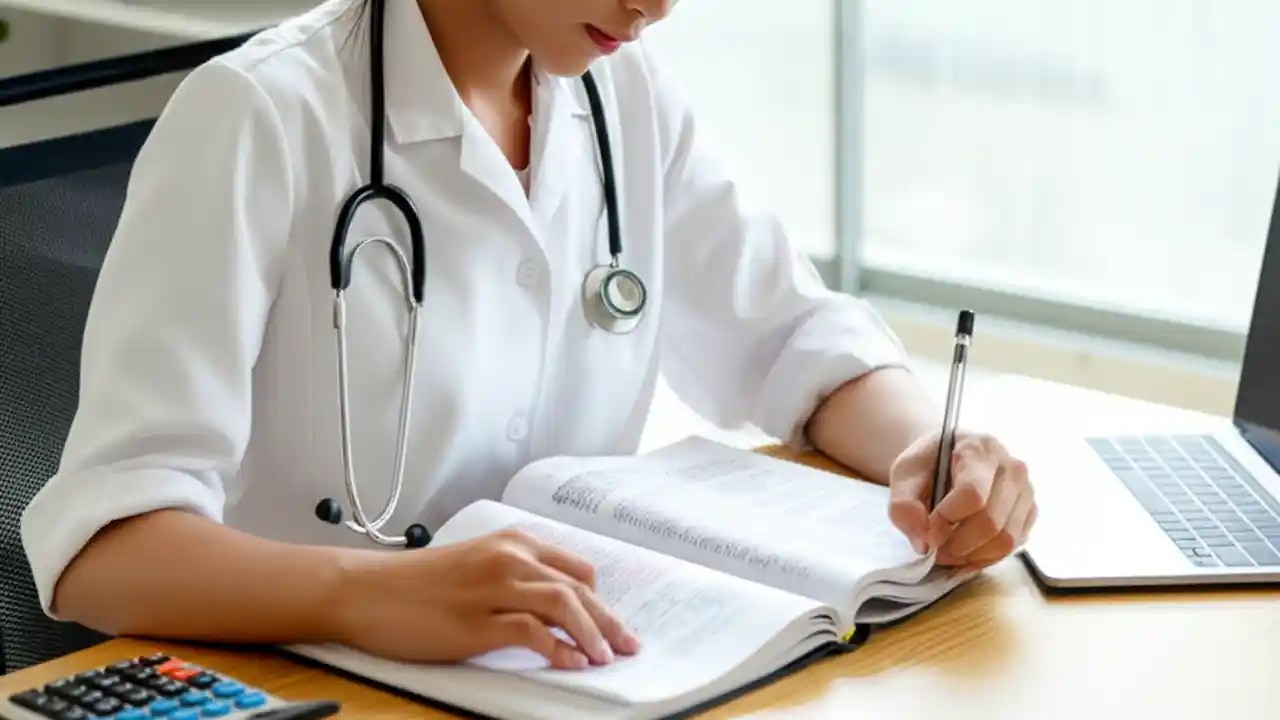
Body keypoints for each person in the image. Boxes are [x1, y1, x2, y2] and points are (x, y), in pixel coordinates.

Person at [22, 0, 1037, 672]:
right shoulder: (258, 118)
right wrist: (369, 595)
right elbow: (104, 554)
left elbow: (791, 344)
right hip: (320, 681)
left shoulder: (618, 94)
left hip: (565, 678)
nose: (657, 2)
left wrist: (928, 451)